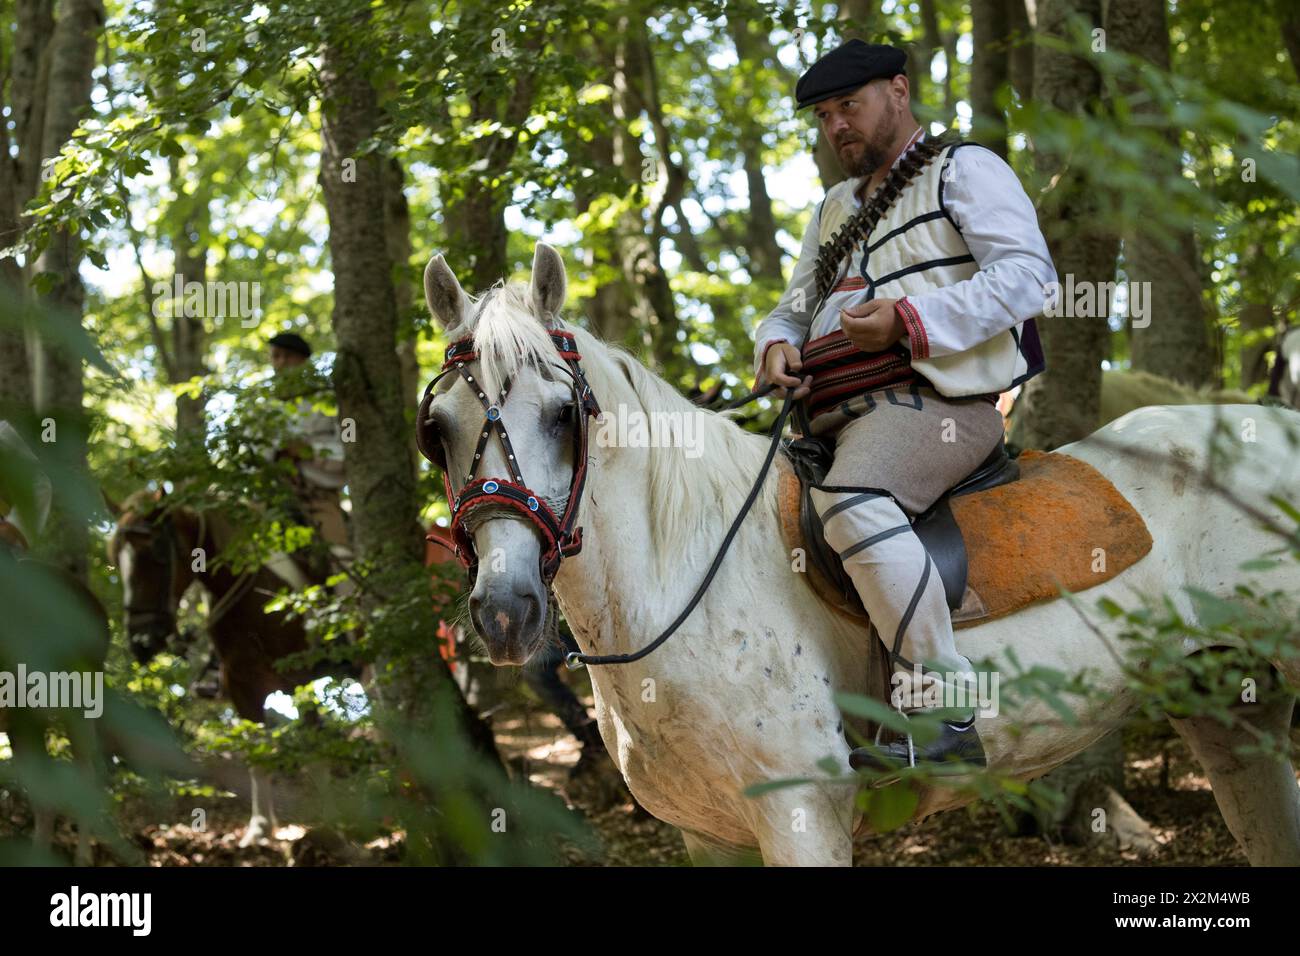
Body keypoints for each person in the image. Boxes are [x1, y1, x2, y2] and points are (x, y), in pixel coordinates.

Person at [752, 40, 1057, 775]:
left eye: (847, 107)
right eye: (824, 116)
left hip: (938, 406)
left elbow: (1027, 276)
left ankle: (947, 712)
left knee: (853, 502)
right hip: (828, 419)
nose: (835, 127)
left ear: (898, 90)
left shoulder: (965, 168)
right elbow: (792, 310)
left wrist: (909, 321)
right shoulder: (831, 209)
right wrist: (773, 346)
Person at [266, 332, 351, 568]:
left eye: (287, 356)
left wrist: (308, 451)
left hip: (319, 497)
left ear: (303, 360)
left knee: (342, 560)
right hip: (272, 499)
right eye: (275, 356)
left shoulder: (328, 400)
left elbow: (349, 456)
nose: (280, 363)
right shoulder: (264, 405)